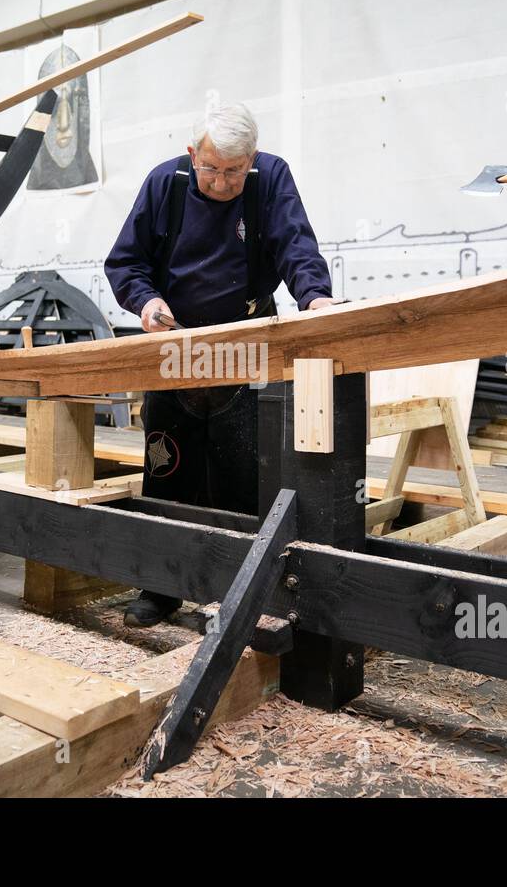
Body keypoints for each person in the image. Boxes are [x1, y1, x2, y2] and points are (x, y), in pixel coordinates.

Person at [105, 102, 337, 625]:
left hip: (247, 339)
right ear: (192, 155)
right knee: (169, 468)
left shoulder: (270, 176)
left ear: (251, 160)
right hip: (177, 343)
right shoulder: (164, 184)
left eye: (235, 171)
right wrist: (145, 301)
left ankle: (235, 598)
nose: (223, 181)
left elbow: (293, 245)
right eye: (211, 169)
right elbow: (125, 261)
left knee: (242, 473)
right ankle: (160, 589)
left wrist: (315, 299)